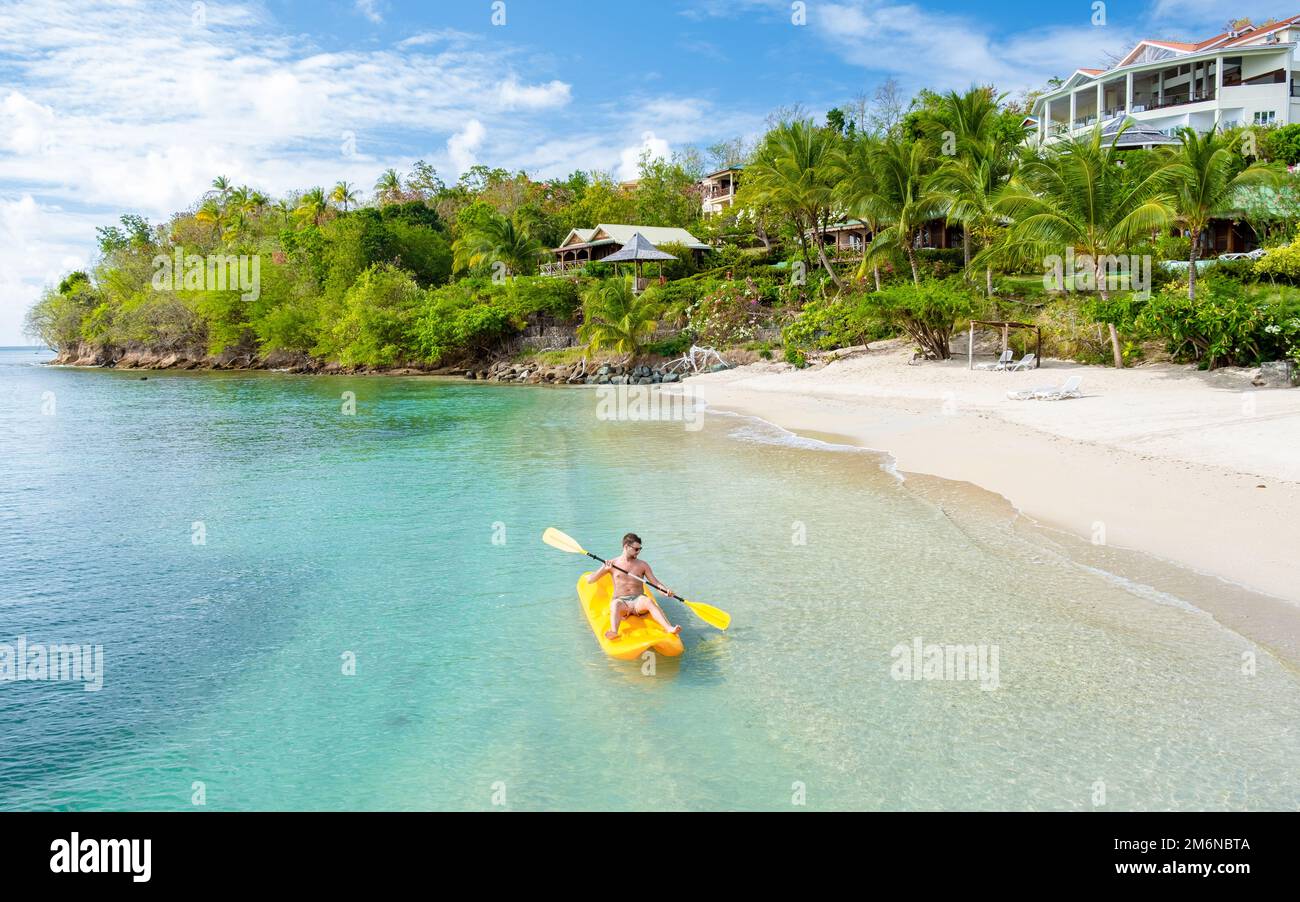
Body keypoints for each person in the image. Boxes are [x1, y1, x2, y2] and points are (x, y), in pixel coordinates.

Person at [586, 533, 681, 640]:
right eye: (636, 549)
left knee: (648, 601)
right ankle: (614, 632)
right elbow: (590, 580)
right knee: (615, 604)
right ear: (626, 547)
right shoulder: (612, 564)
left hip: (638, 601)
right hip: (621, 601)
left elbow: (655, 583)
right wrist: (604, 569)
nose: (638, 552)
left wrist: (666, 591)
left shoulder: (642, 565)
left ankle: (669, 628)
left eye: (640, 549)